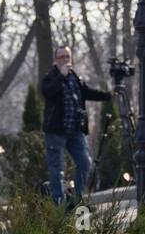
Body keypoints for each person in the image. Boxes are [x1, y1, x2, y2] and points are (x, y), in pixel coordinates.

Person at [41, 46, 110, 205]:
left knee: (85, 162)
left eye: (67, 56)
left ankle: (78, 198)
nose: (65, 59)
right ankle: (59, 203)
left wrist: (108, 96)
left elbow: (86, 92)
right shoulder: (50, 77)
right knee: (57, 169)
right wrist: (61, 76)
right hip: (56, 132)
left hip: (75, 131)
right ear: (55, 60)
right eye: (61, 57)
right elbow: (47, 93)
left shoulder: (74, 77)